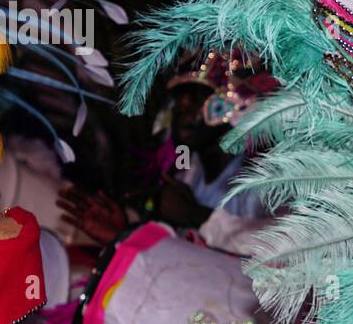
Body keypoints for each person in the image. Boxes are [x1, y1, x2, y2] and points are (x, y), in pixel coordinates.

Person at [58, 49, 275, 254]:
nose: (182, 105)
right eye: (179, 96)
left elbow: (280, 253)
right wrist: (123, 234)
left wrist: (196, 216)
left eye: (196, 94)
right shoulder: (188, 168)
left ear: (235, 101)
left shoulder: (266, 182)